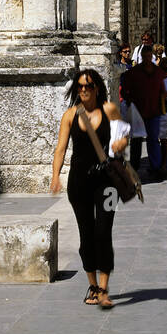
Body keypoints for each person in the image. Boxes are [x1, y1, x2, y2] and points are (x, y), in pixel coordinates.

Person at [50, 68, 130, 309]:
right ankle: (92, 285)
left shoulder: (109, 110)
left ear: (97, 88)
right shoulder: (70, 116)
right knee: (86, 235)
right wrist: (55, 176)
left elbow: (124, 134)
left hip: (107, 183)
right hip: (79, 183)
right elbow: (61, 149)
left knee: (103, 233)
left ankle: (104, 288)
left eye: (89, 86)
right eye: (80, 86)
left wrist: (121, 142)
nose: (84, 90)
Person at [119, 46, 167, 178]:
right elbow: (124, 88)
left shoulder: (157, 72)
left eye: (148, 56)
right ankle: (134, 166)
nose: (147, 59)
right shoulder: (134, 72)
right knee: (136, 140)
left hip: (154, 111)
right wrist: (129, 101)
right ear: (141, 56)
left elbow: (162, 89)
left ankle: (155, 167)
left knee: (153, 140)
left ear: (151, 56)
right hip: (138, 112)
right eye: (144, 56)